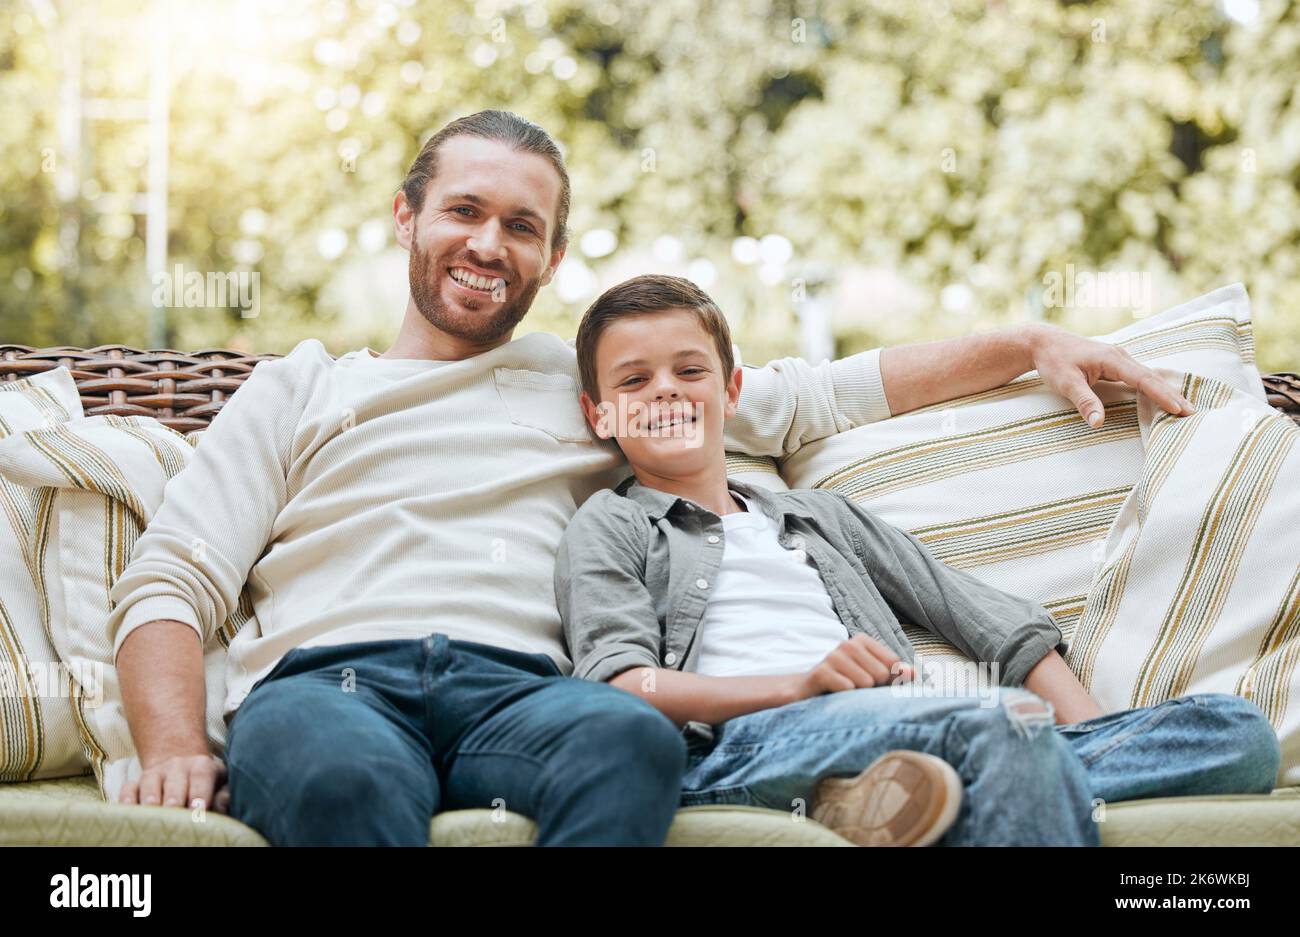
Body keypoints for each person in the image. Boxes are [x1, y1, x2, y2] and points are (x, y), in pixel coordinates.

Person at [110, 109, 1201, 846]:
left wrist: (1025, 344)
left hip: (526, 693)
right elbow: (170, 583)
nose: (488, 243)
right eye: (464, 211)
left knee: (628, 736)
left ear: (550, 254)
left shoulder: (598, 383)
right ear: (408, 217)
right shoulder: (302, 386)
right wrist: (170, 748)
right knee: (342, 775)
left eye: (522, 227)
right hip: (333, 680)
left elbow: (821, 395)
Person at [555, 273, 1283, 846]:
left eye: (689, 369)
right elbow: (625, 683)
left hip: (899, 723)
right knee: (1000, 725)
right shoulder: (610, 524)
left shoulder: (821, 518)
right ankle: (970, 770)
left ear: (731, 389)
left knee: (1236, 734)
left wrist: (1081, 737)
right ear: (599, 413)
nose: (666, 392)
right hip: (739, 750)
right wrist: (796, 684)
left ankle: (899, 796)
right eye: (633, 381)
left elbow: (987, 620)